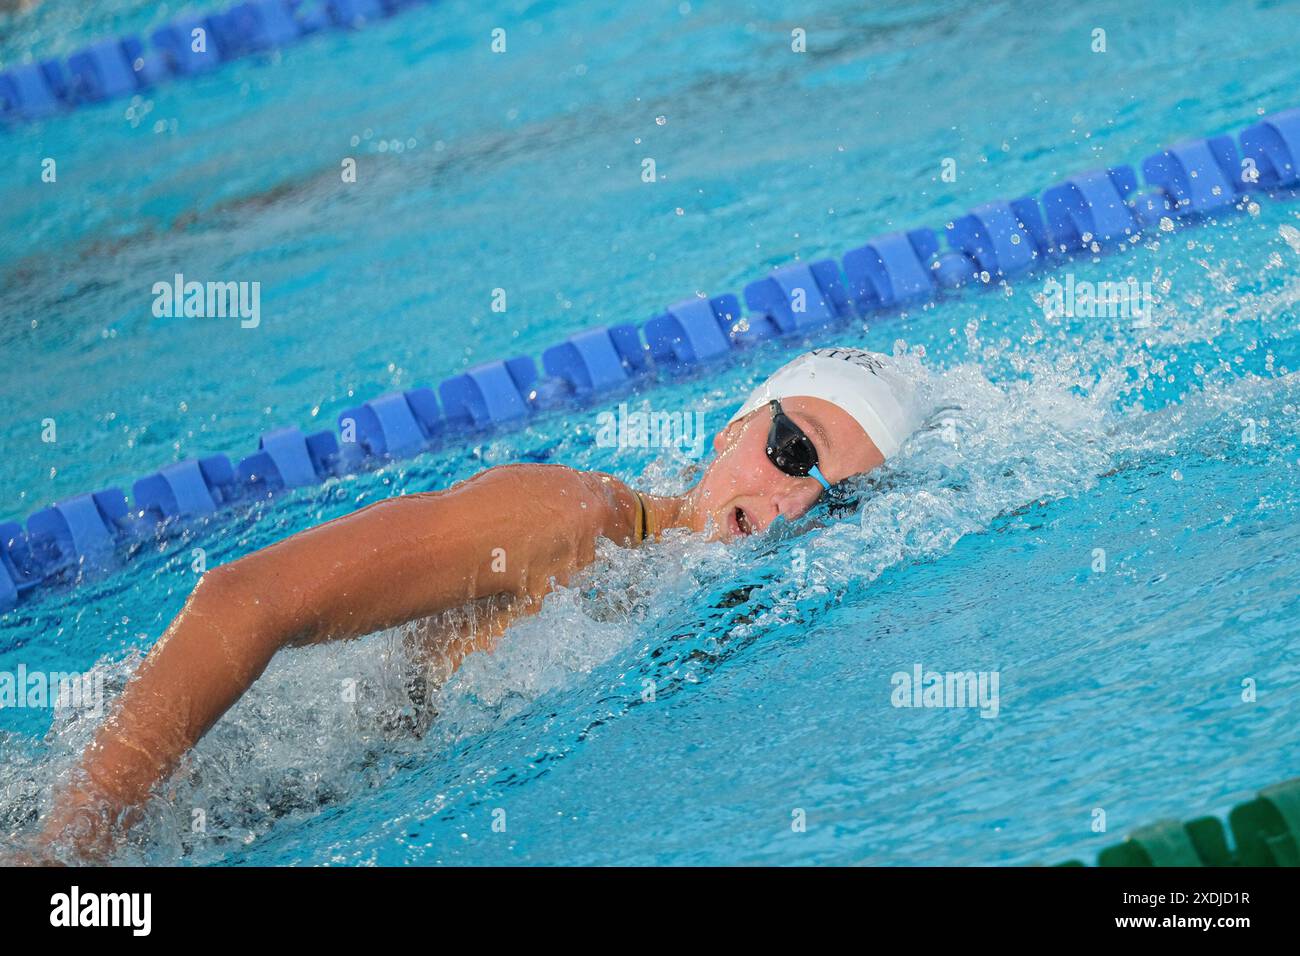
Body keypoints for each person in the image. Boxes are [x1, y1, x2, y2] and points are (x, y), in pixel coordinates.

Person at [33, 345, 923, 860]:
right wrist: (68, 853)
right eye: (795, 452)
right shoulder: (573, 519)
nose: (796, 501)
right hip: (146, 788)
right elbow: (245, 597)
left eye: (834, 500)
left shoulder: (678, 593)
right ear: (734, 427)